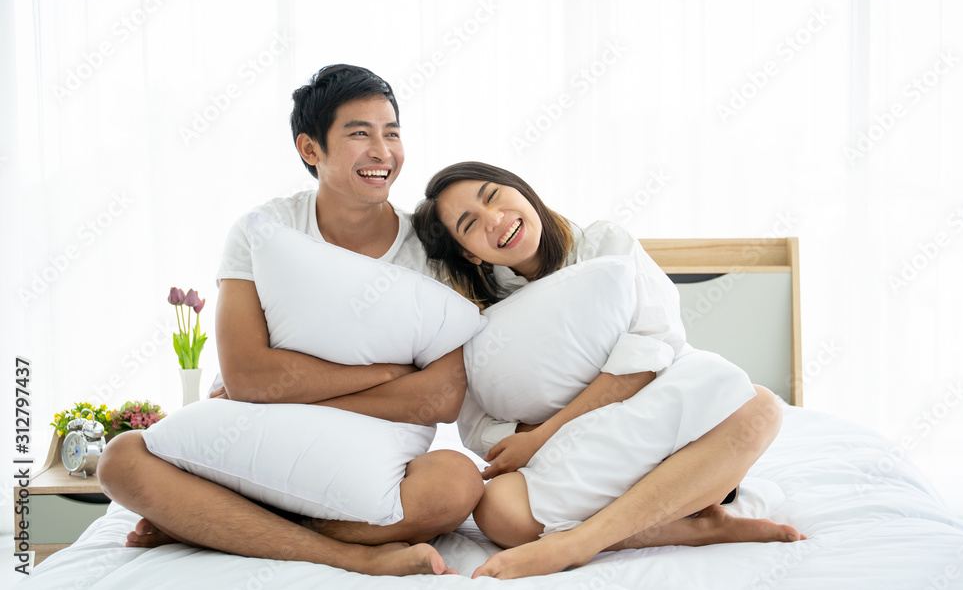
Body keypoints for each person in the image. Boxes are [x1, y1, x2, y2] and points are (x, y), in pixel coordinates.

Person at [97, 65, 484, 577]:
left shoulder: (430, 248)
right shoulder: (265, 230)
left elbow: (439, 398)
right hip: (254, 437)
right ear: (310, 149)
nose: (382, 151)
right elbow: (248, 377)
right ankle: (346, 554)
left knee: (457, 483)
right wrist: (389, 376)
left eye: (391, 132)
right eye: (359, 134)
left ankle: (219, 523)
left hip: (366, 453)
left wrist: (292, 384)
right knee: (120, 460)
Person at [411, 161, 804, 579]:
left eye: (493, 196)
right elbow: (481, 428)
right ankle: (688, 526)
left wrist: (545, 432)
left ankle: (581, 542)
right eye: (470, 225)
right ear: (470, 253)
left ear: (521, 189)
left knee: (759, 407)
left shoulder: (604, 243)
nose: (495, 220)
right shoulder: (475, 313)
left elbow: (652, 351)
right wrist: (539, 441)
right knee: (496, 511)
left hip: (652, 414)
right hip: (582, 453)